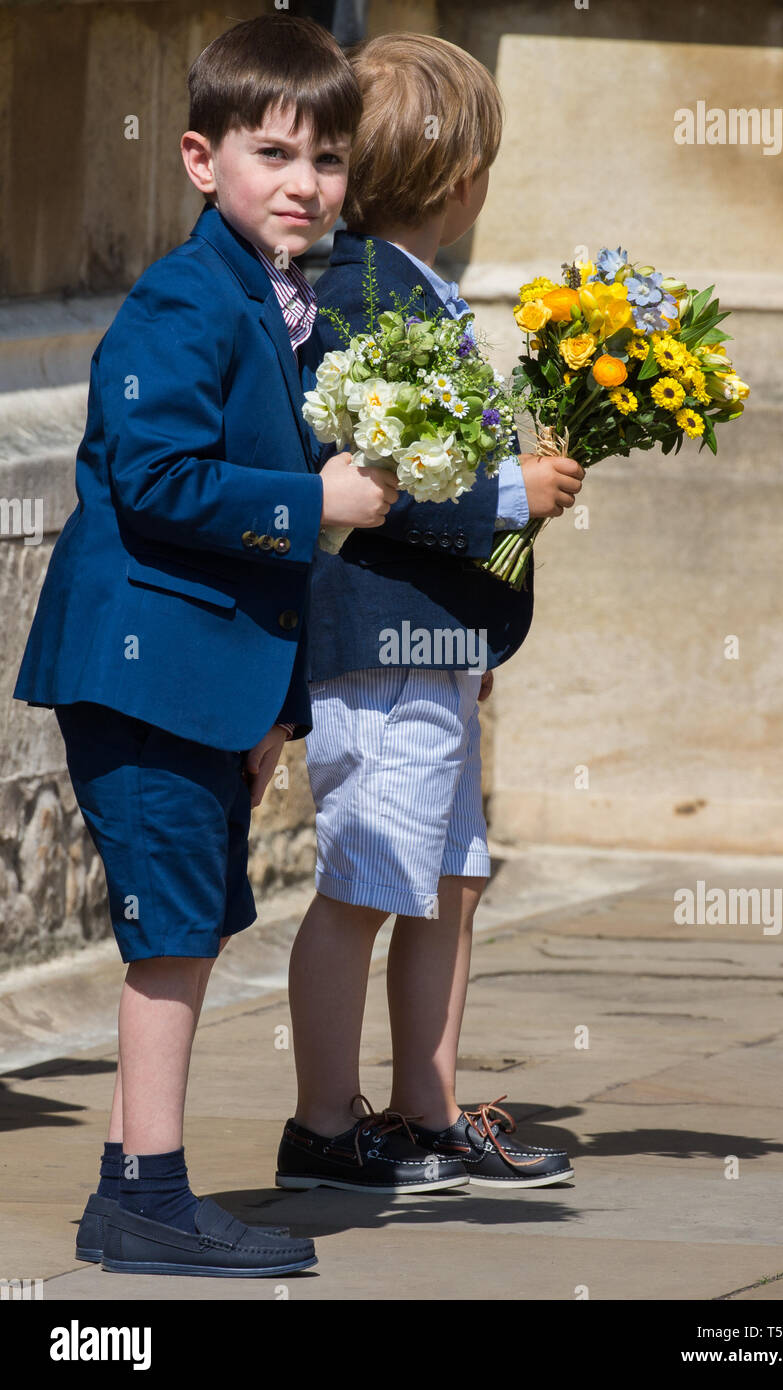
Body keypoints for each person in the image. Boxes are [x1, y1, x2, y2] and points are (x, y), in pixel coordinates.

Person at [13, 13, 396, 1276]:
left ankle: (132, 1183)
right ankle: (150, 1200)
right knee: (169, 935)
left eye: (328, 162)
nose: (304, 184)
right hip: (141, 672)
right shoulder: (184, 299)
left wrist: (274, 712)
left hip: (205, 685)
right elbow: (161, 475)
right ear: (198, 158)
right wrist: (316, 500)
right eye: (274, 153)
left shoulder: (272, 302)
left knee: (188, 922)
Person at [276, 33, 582, 1194]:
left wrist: (471, 634)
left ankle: (424, 1105)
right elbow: (374, 474)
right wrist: (512, 490)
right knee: (363, 880)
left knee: (450, 877)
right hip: (377, 639)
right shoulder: (354, 294)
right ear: (463, 184)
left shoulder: (409, 289)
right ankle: (320, 1121)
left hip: (431, 642)